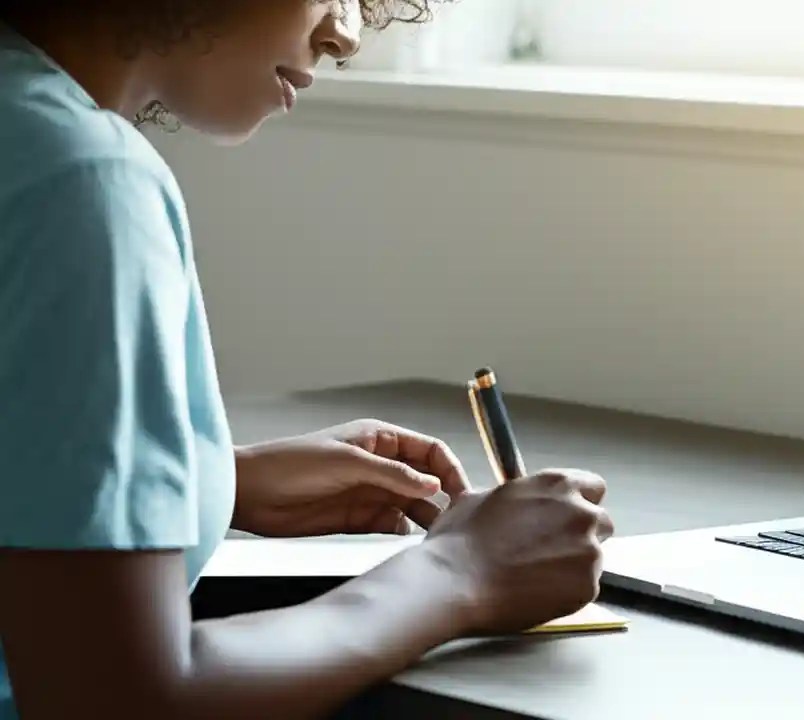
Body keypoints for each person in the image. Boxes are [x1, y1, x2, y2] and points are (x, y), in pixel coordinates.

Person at [0, 2, 614, 718]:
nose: (346, 33)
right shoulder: (81, 182)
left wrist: (210, 478)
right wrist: (460, 570)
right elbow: (118, 696)